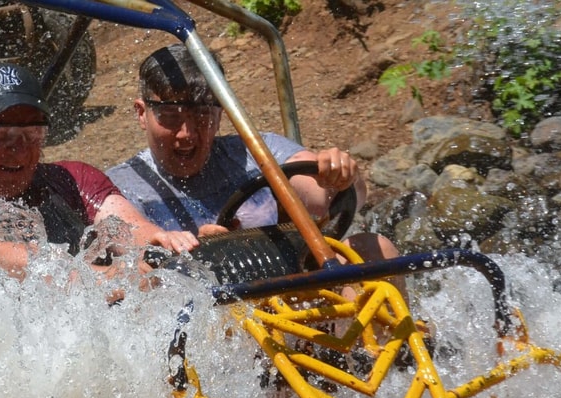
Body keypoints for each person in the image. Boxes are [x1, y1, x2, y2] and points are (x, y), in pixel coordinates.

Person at [0, 62, 198, 279]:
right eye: (1, 134)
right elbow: (2, 263)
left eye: (32, 134)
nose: (19, 149)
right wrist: (114, 280)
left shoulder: (73, 180)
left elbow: (126, 228)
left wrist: (169, 245)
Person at [106, 43, 396, 269]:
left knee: (374, 248)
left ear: (221, 114)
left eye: (203, 114)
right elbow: (120, 276)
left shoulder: (258, 152)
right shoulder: (117, 188)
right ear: (142, 114)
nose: (187, 134)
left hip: (286, 295)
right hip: (197, 310)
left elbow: (329, 198)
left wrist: (341, 176)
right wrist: (204, 256)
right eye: (170, 116)